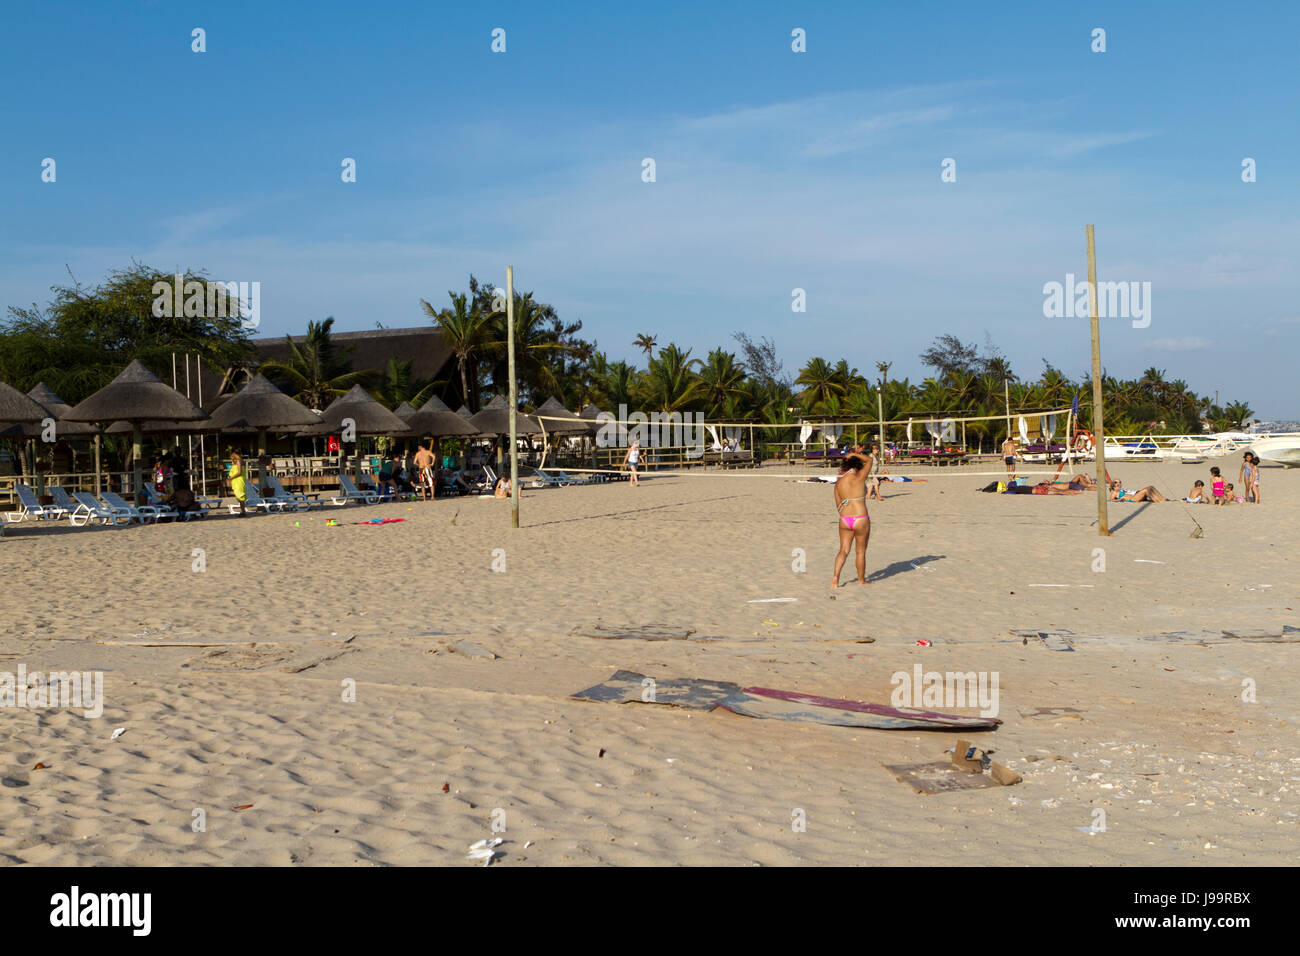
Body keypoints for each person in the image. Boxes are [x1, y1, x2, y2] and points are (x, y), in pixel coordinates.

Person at [830, 451, 872, 589]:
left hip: (845, 519)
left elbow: (839, 507)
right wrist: (854, 453)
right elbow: (870, 460)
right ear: (857, 465)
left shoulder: (838, 484)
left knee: (843, 550)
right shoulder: (860, 477)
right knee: (860, 552)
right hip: (860, 518)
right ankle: (861, 580)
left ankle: (835, 579)